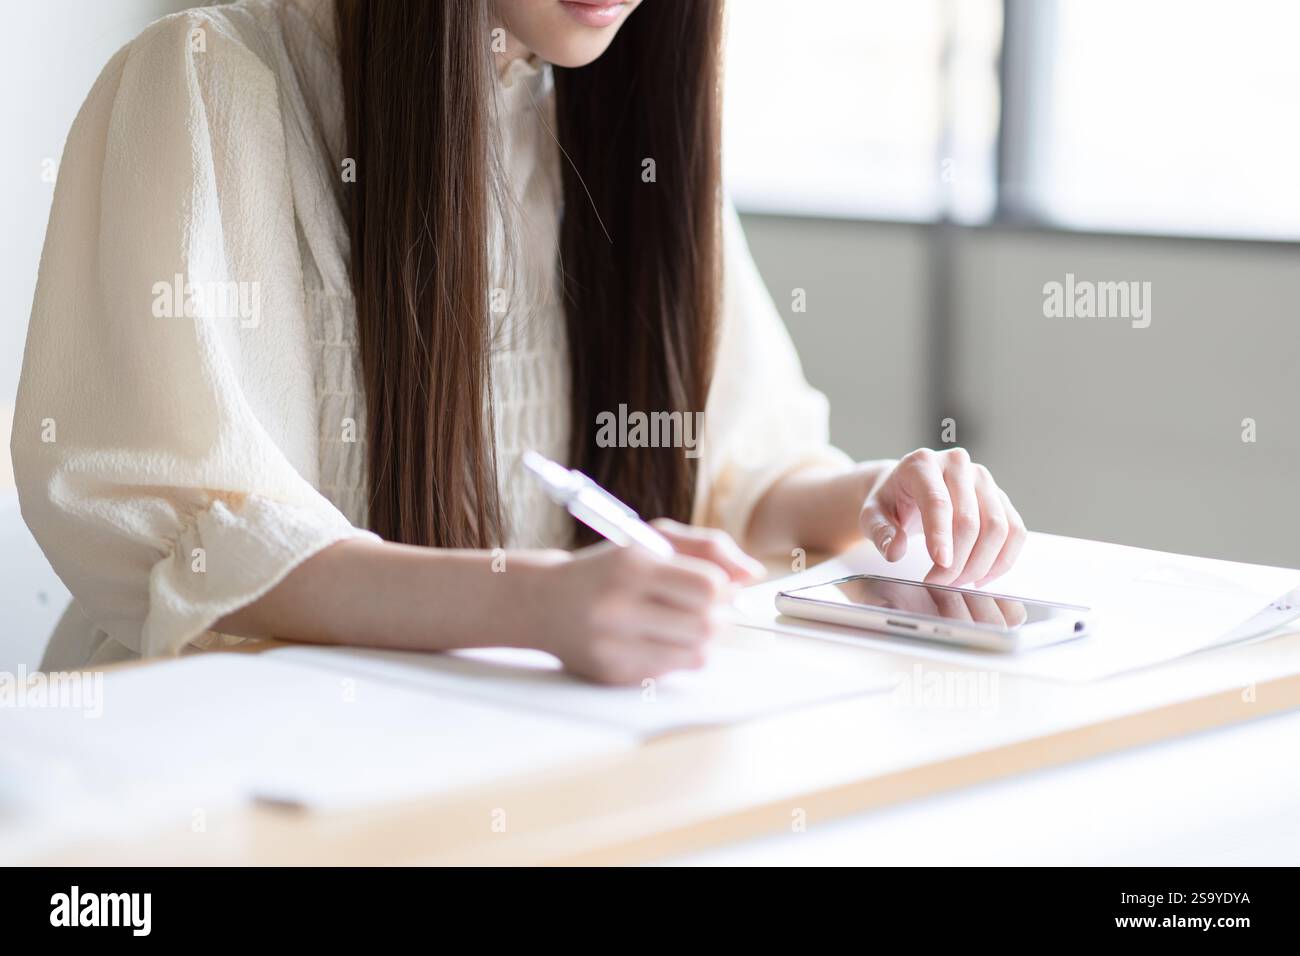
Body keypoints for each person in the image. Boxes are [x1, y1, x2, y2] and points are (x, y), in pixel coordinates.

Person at [13, 0, 1025, 684]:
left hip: (503, 764)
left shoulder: (624, 128)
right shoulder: (206, 82)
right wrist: (534, 603)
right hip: (220, 791)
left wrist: (876, 498)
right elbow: (195, 541)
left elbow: (733, 479)